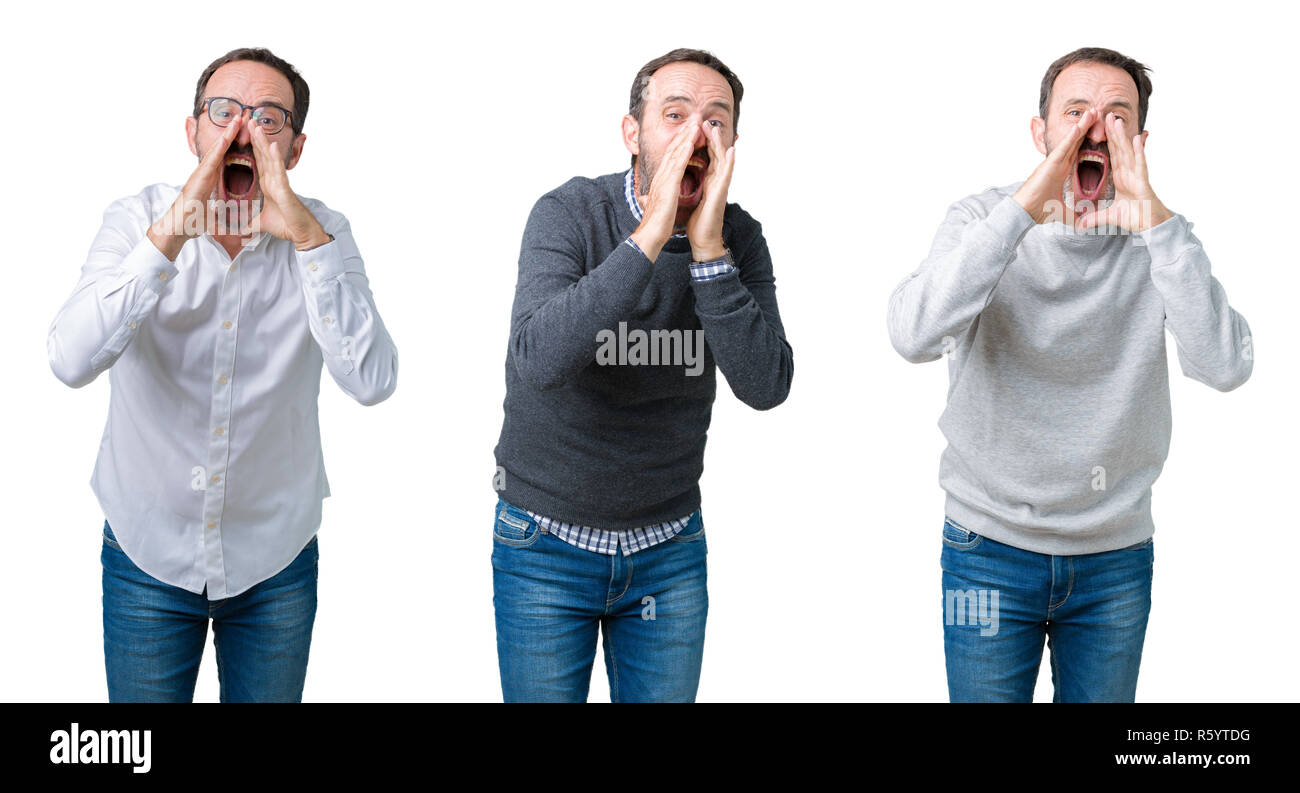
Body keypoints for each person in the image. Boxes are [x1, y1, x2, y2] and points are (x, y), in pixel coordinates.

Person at [888, 47, 1253, 702]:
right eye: (1075, 112)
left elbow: (1224, 364)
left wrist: (1160, 228)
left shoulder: (1162, 241)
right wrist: (1026, 209)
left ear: (1138, 143)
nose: (1092, 129)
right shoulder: (981, 221)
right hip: (985, 551)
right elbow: (913, 334)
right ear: (1041, 132)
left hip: (1115, 558)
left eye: (1116, 118)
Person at [47, 47, 398, 702]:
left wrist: (306, 241)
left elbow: (373, 378)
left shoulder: (325, 232)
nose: (240, 130)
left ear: (293, 149)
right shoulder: (135, 220)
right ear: (194, 132)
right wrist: (171, 234)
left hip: (275, 562)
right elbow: (70, 358)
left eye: (267, 117)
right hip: (146, 554)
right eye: (223, 111)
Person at [491, 48, 793, 702]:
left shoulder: (739, 239)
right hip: (545, 545)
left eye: (716, 120)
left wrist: (708, 253)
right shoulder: (568, 214)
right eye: (674, 114)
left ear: (734, 142)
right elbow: (537, 360)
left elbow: (767, 384)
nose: (695, 134)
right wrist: (650, 236)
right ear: (634, 133)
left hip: (667, 552)